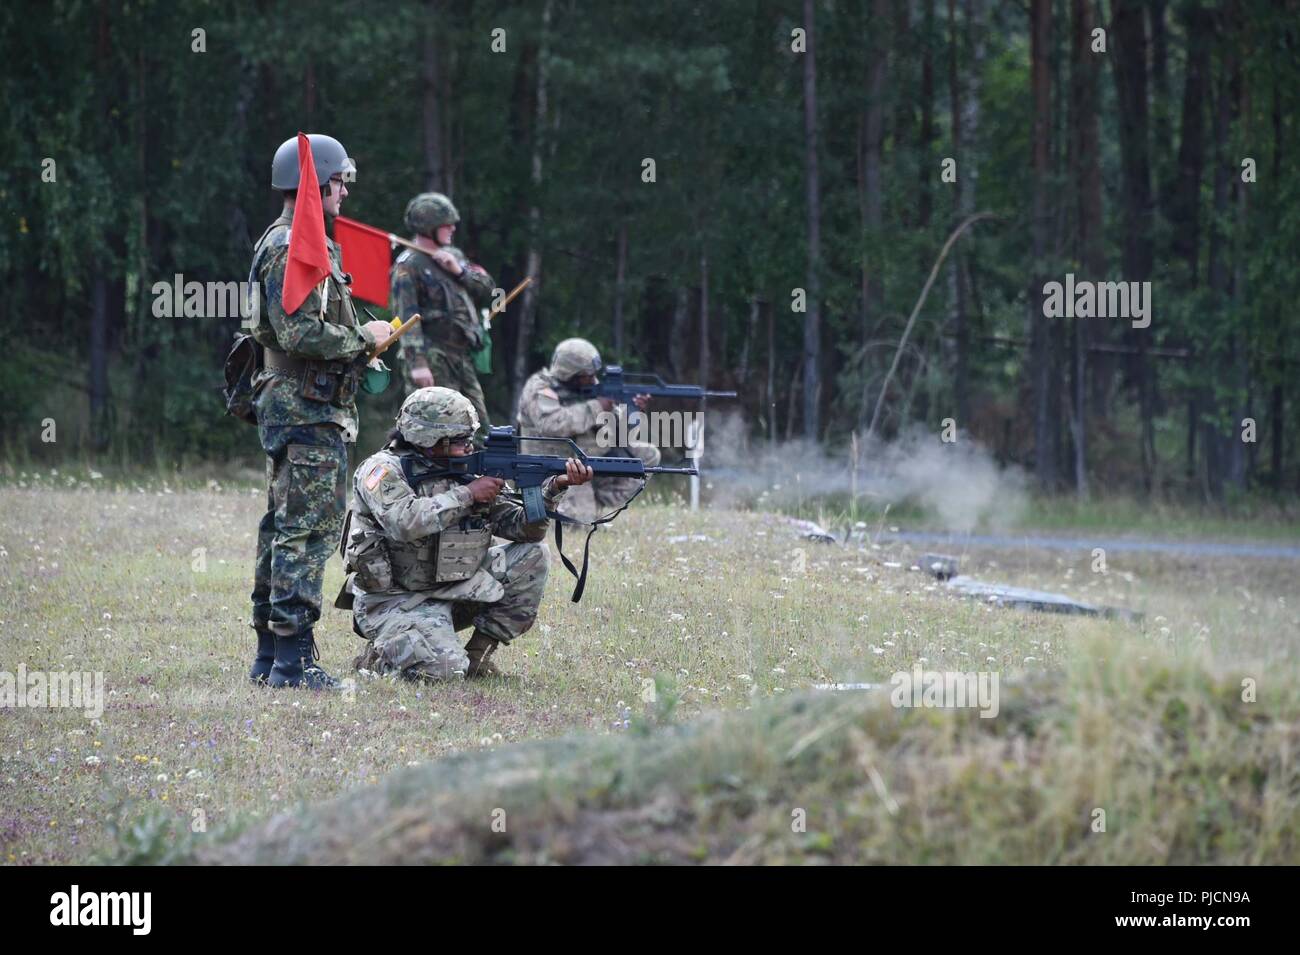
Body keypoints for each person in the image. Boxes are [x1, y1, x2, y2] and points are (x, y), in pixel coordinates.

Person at [246, 133, 394, 690]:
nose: (345, 193)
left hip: (305, 401)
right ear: (316, 183)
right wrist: (363, 337)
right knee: (306, 530)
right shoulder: (290, 244)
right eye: (339, 182)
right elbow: (297, 329)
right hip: (304, 404)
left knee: (285, 525)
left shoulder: (300, 239)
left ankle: (271, 655)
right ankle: (292, 660)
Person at [341, 387, 593, 680]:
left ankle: (478, 658)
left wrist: (554, 489)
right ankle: (377, 658)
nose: (470, 446)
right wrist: (468, 495)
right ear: (430, 438)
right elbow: (404, 521)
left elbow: (524, 530)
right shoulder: (382, 470)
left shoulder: (466, 469)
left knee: (533, 555)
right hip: (394, 599)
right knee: (444, 673)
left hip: (453, 587)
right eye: (461, 440)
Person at [516, 338, 658, 521]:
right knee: (580, 521)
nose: (594, 380)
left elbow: (618, 435)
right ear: (570, 373)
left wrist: (632, 411)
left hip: (588, 463)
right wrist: (597, 406)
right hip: (553, 470)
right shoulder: (540, 388)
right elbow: (553, 424)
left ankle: (595, 505)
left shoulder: (590, 391)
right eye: (587, 375)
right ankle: (576, 507)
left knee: (647, 456)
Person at [390, 192, 495, 433]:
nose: (453, 228)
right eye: (446, 224)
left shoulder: (454, 257)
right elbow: (407, 318)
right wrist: (418, 363)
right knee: (440, 428)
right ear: (428, 227)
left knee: (479, 427)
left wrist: (459, 271)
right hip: (433, 356)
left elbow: (488, 289)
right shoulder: (409, 265)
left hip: (461, 356)